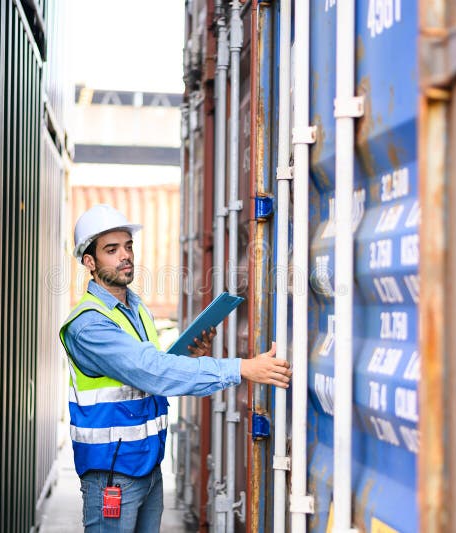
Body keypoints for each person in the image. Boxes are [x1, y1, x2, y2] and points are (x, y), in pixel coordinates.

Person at [59, 204, 291, 532]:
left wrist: (188, 359)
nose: (125, 255)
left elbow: (145, 377)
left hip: (147, 466)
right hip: (112, 474)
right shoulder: (88, 324)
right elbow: (151, 371)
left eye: (128, 246)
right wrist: (241, 368)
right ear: (90, 262)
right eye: (112, 250)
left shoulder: (135, 309)